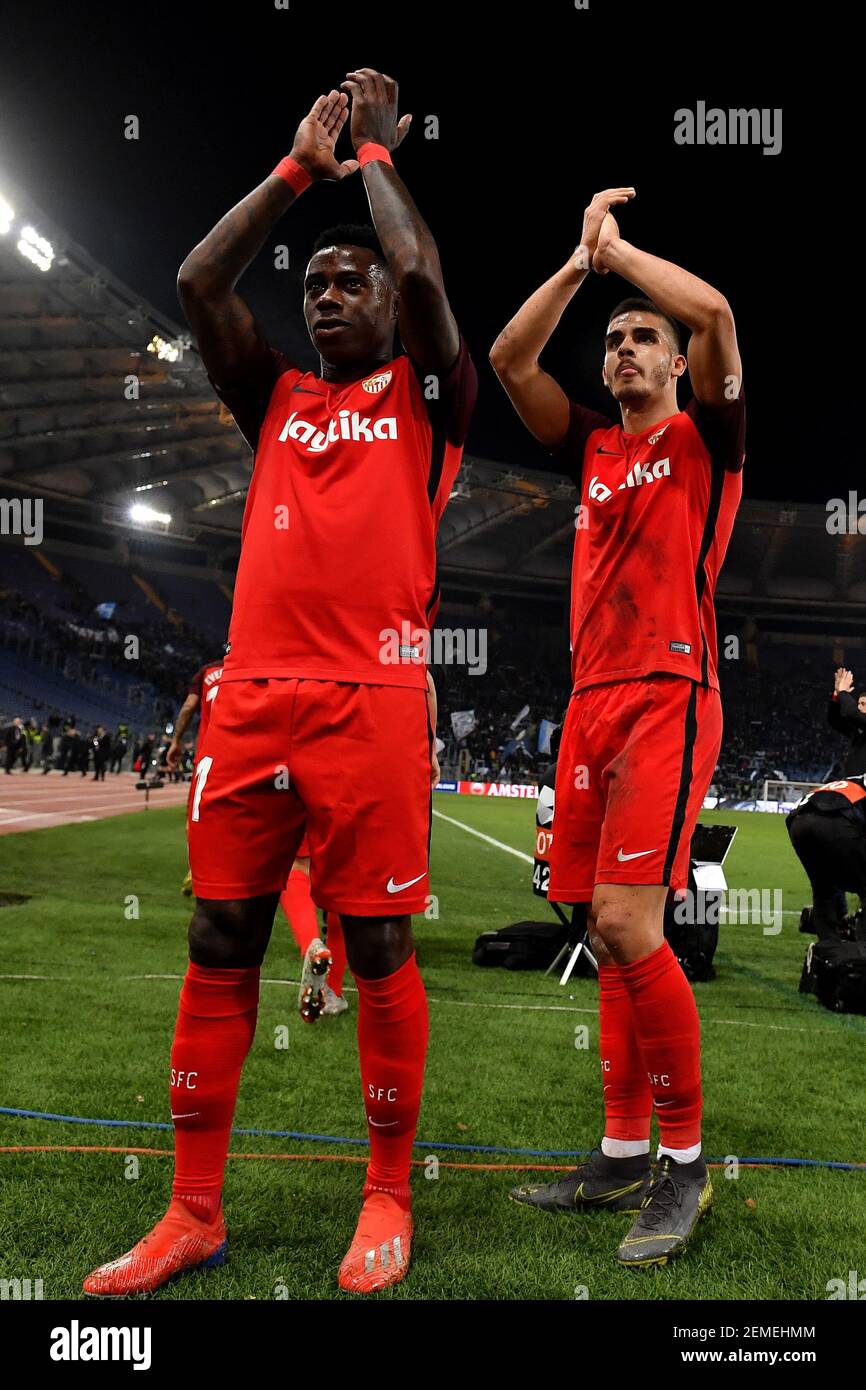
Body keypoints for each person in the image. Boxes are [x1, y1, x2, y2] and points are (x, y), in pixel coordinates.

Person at [84, 73, 476, 1299]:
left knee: (372, 943)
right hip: (252, 695)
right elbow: (203, 281)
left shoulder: (427, 395)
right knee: (219, 935)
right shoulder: (277, 400)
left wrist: (372, 157)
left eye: (344, 279)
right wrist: (296, 169)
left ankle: (386, 1194)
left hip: (370, 697)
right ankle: (191, 1210)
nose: (326, 293)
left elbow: (422, 283)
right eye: (312, 284)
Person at [490, 186, 744, 1268]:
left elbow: (719, 312)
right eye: (614, 340)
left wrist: (623, 252)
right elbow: (507, 361)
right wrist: (574, 264)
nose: (628, 346)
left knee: (633, 923)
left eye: (646, 337)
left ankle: (681, 1166)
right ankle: (616, 1148)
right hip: (588, 704)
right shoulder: (591, 448)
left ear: (675, 363)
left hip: (668, 695)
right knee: (596, 927)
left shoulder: (707, 435)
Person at [787, 776, 866, 941]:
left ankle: (829, 950)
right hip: (833, 819)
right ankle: (861, 945)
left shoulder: (852, 780)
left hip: (798, 821)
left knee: (824, 888)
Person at [828, 668, 866, 776]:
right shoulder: (858, 730)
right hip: (854, 786)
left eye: (863, 704)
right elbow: (834, 721)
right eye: (859, 703)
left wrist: (843, 692)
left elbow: (851, 713)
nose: (859, 706)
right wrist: (836, 695)